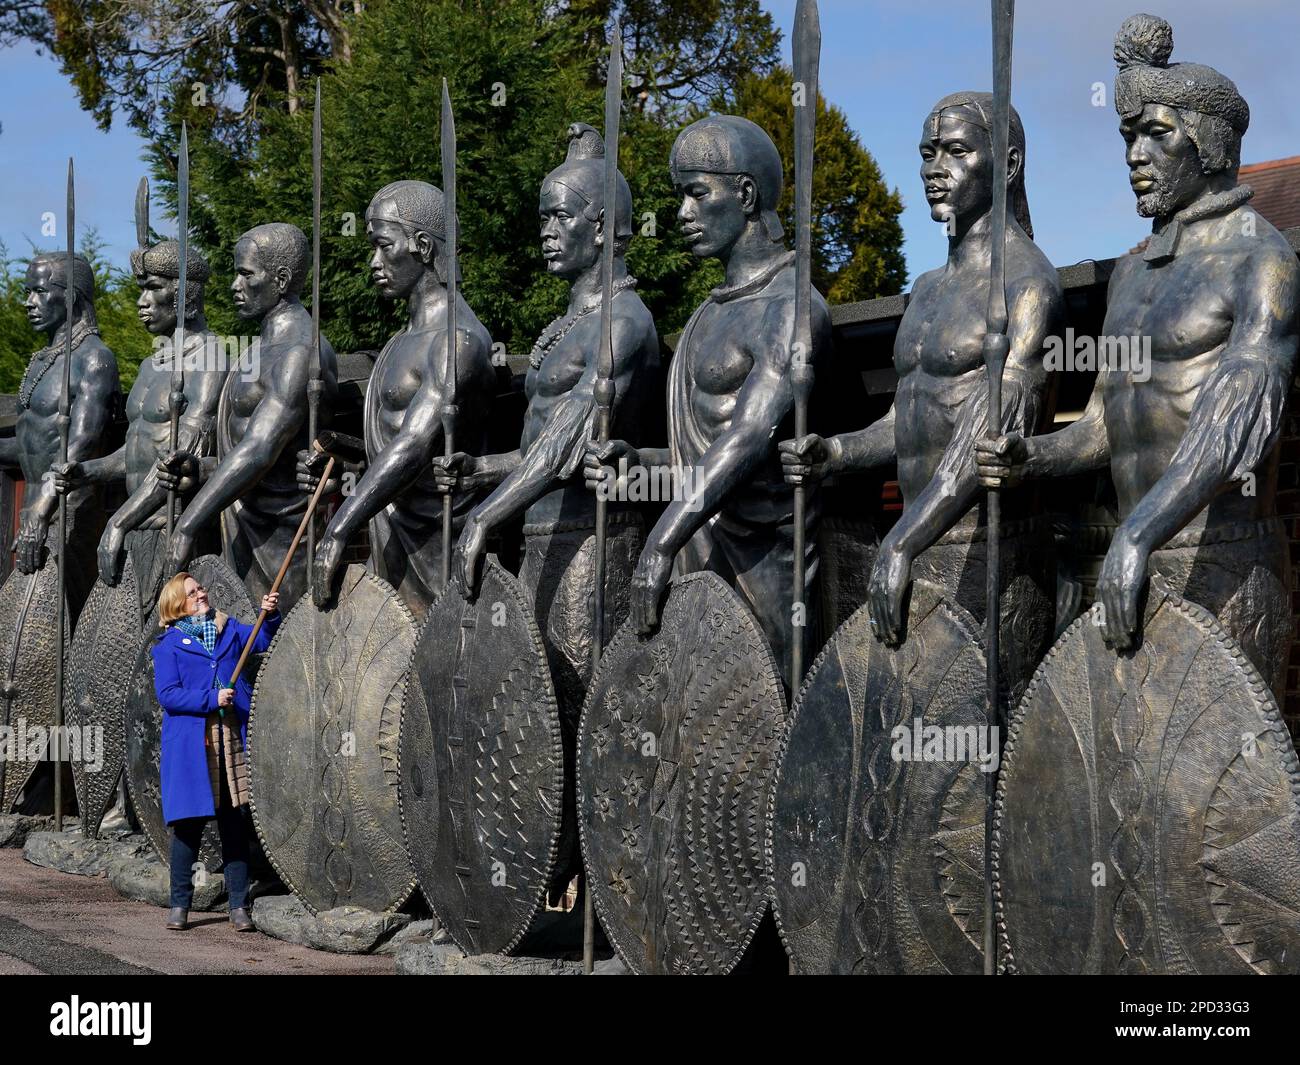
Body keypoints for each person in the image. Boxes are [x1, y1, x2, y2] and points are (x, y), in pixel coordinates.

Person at [151, 572, 280, 931]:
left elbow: (263, 640)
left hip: (231, 738)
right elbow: (168, 694)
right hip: (193, 744)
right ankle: (180, 905)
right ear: (178, 605)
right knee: (188, 828)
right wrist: (210, 698)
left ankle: (239, 906)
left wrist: (268, 614)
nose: (201, 594)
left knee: (234, 824)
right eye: (192, 593)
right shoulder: (168, 646)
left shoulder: (230, 629)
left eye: (201, 589)